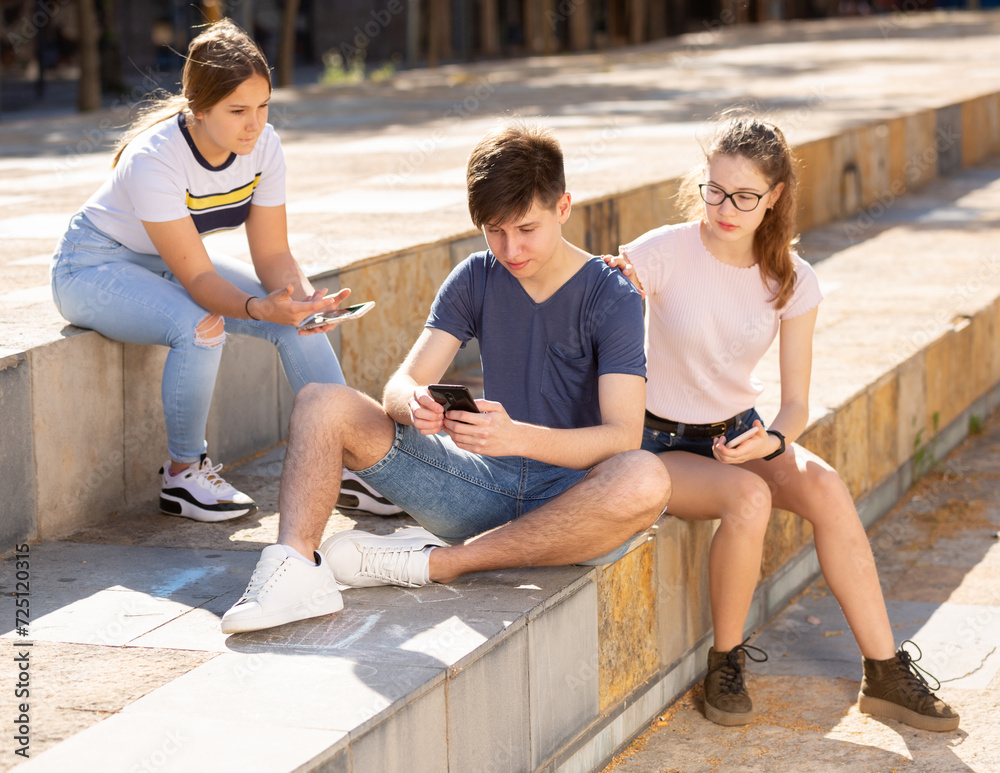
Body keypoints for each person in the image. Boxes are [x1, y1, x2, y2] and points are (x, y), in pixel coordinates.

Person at [220, 121, 672, 634]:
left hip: (574, 502)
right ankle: (296, 571)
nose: (511, 249)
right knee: (321, 402)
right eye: (494, 230)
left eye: (526, 229)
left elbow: (621, 436)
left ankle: (439, 563)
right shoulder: (476, 276)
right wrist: (413, 403)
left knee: (645, 477)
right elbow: (401, 383)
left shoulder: (611, 295)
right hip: (476, 488)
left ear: (562, 208)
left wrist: (519, 437)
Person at [608, 114, 959, 732]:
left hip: (739, 433)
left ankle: (883, 671)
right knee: (747, 499)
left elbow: (795, 404)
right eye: (714, 190)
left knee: (825, 486)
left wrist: (771, 439)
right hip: (658, 440)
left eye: (745, 196)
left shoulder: (792, 280)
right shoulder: (660, 252)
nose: (725, 207)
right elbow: (594, 324)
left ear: (773, 197)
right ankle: (725, 662)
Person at [49, 19, 391, 522]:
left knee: (298, 322)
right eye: (237, 111)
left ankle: (349, 463)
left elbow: (273, 253)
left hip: (166, 264)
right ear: (200, 108)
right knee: (201, 327)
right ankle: (183, 475)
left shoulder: (264, 147)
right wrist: (258, 307)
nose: (254, 124)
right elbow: (200, 283)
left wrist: (298, 300)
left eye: (262, 106)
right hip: (92, 267)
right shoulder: (155, 160)